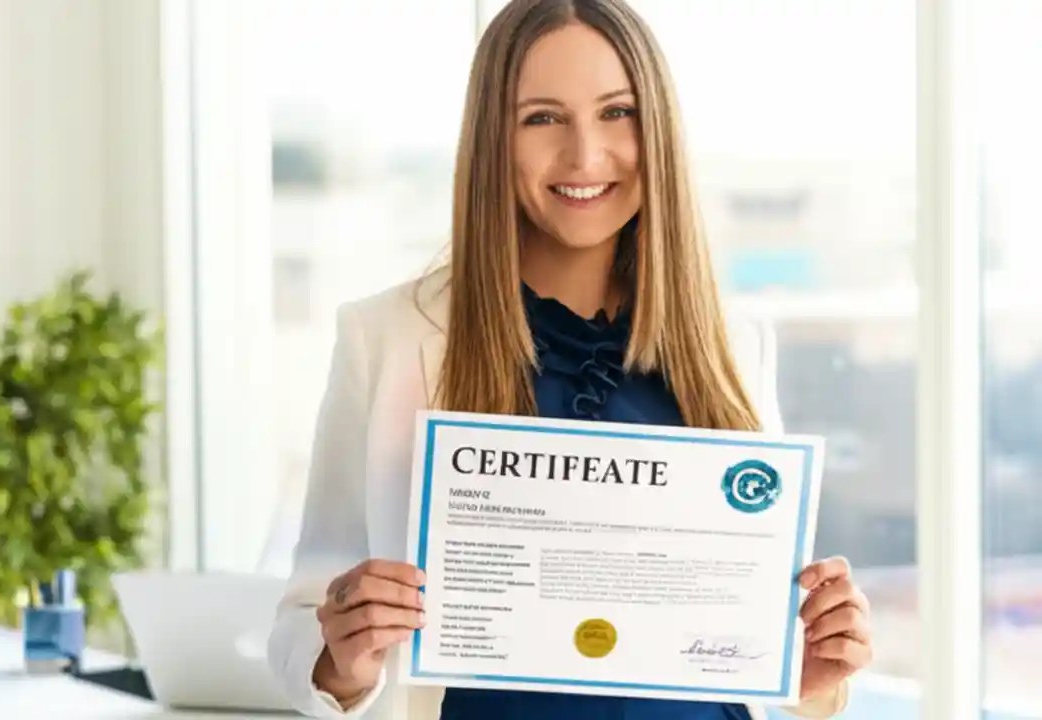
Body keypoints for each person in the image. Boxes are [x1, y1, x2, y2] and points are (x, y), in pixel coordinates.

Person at [267, 0, 873, 718]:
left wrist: (817, 672)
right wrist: (342, 659)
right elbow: (300, 627)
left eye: (616, 112)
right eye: (542, 118)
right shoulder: (389, 337)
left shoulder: (736, 344)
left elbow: (755, 651)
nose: (585, 156)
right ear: (495, 138)